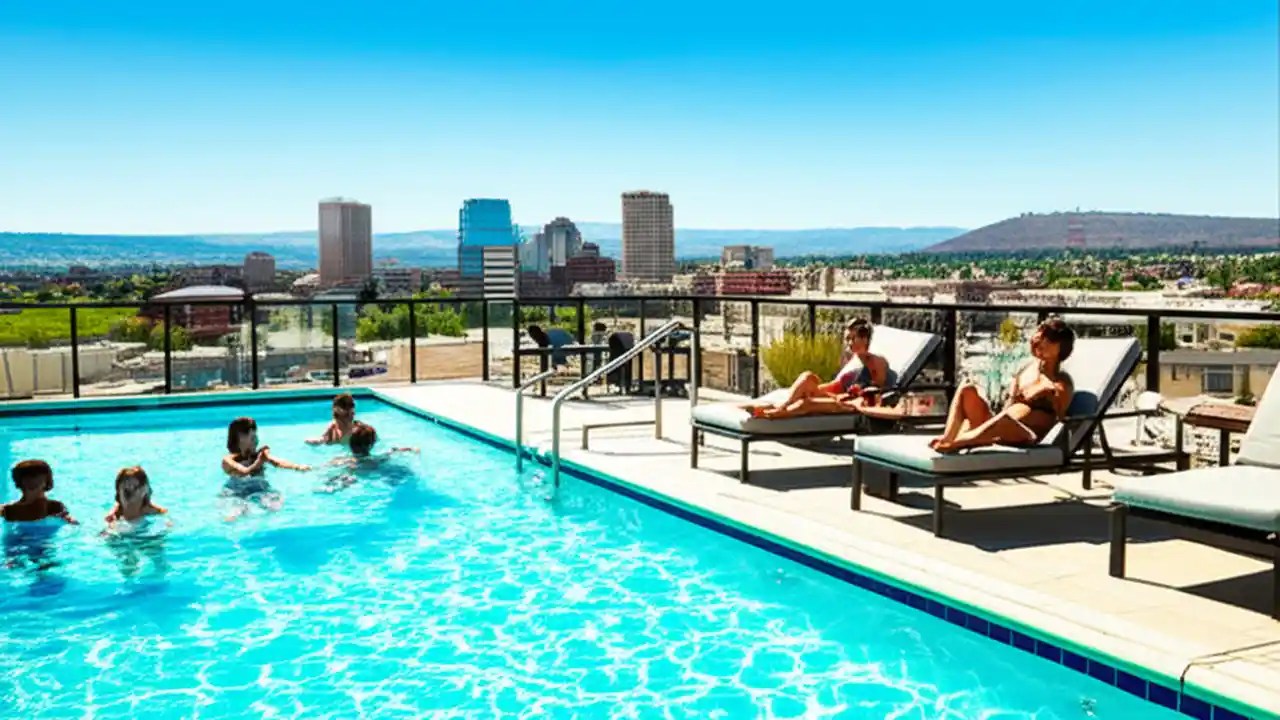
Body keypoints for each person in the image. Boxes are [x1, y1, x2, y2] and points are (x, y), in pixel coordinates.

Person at [930, 316, 1076, 454]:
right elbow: (1008, 406)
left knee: (1004, 421)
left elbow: (1061, 415)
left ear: (1061, 348)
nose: (1040, 341)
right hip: (1000, 427)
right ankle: (949, 438)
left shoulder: (1061, 380)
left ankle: (957, 443)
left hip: (1026, 436)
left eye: (1048, 340)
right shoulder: (1026, 370)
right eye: (1040, 336)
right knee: (967, 387)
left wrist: (1048, 393)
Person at [747, 318, 890, 420]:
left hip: (850, 404)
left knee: (806, 403)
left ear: (865, 339)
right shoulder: (853, 359)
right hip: (837, 398)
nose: (849, 343)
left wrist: (850, 395)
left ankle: (776, 414)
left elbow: (876, 394)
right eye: (847, 339)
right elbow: (837, 385)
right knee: (808, 377)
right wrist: (813, 389)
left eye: (853, 339)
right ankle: (782, 407)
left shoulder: (877, 362)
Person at [222, 417, 310, 518]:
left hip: (261, 489)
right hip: (236, 491)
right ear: (241, 437)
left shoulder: (259, 455)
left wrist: (297, 467)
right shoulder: (228, 460)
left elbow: (278, 462)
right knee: (234, 513)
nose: (257, 441)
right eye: (253, 438)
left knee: (275, 506)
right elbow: (244, 472)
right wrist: (260, 461)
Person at [319, 422, 417, 493]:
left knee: (345, 477)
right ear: (370, 445)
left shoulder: (339, 459)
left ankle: (334, 484)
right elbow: (391, 453)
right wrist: (409, 449)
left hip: (349, 468)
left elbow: (320, 468)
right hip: (366, 470)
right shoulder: (375, 460)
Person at [2, 460, 76, 524]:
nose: (32, 481)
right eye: (28, 478)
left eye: (35, 477)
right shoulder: (8, 510)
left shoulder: (54, 507)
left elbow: (69, 519)